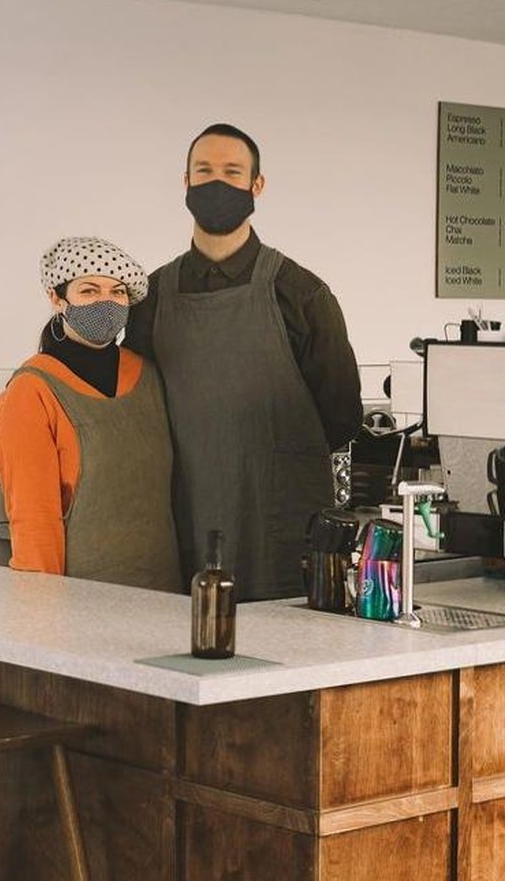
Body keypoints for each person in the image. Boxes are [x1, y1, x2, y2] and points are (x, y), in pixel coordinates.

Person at [125, 123, 362, 601]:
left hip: (278, 519)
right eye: (204, 171)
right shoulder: (150, 299)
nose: (216, 183)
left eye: (232, 172)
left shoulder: (302, 295)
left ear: (258, 186)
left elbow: (341, 418)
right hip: (182, 515)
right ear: (185, 182)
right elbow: (140, 412)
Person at [0, 236, 181, 591]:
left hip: (164, 594)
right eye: (89, 291)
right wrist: (42, 616)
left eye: (118, 292)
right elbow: (34, 522)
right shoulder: (31, 392)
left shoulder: (149, 377)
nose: (106, 303)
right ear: (57, 298)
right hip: (81, 603)